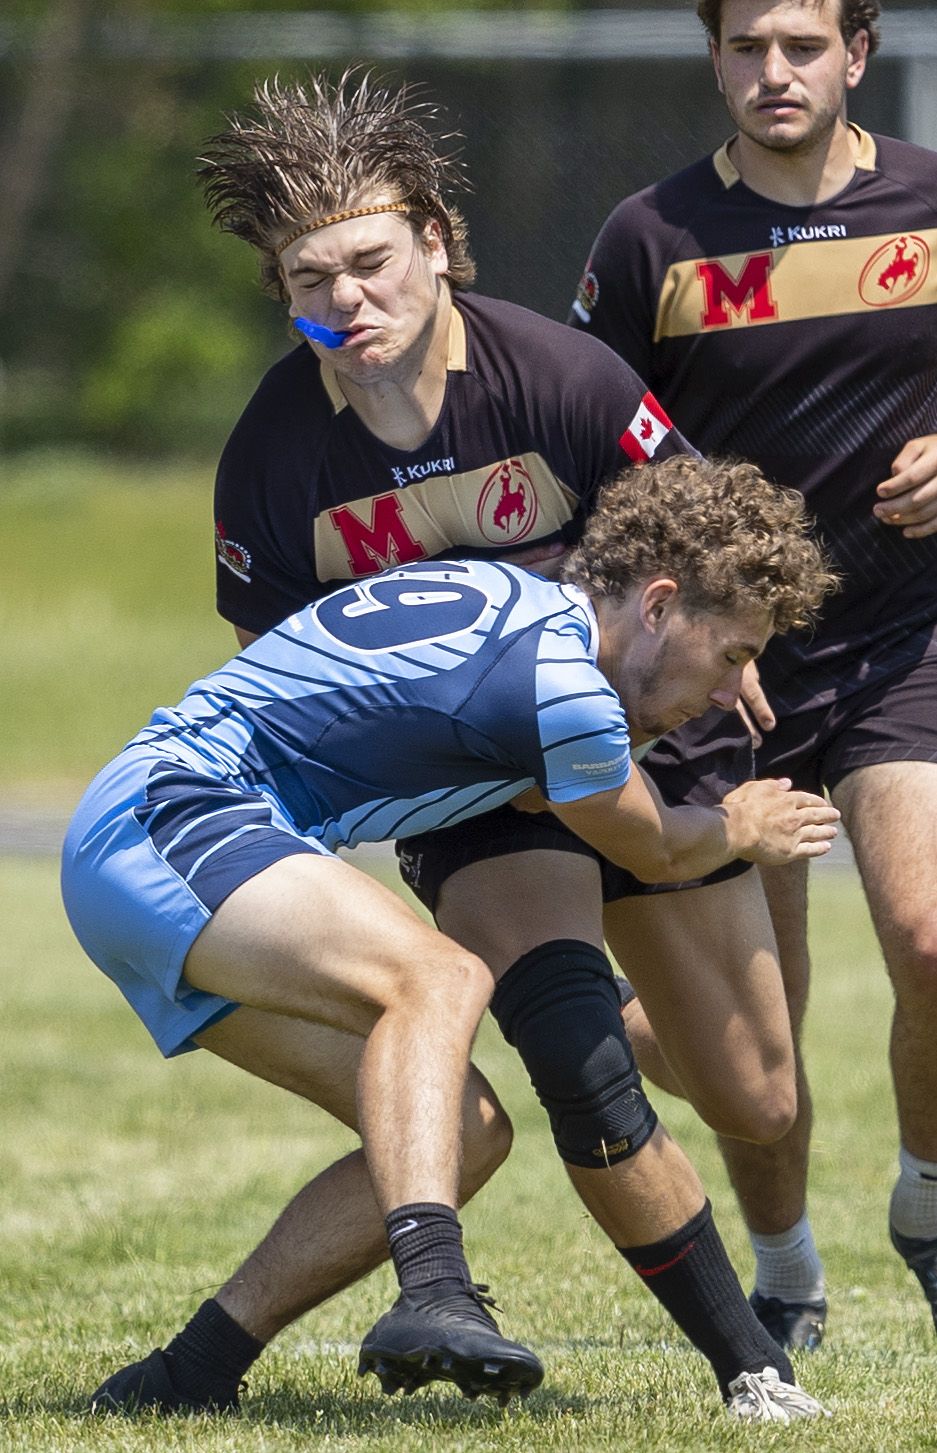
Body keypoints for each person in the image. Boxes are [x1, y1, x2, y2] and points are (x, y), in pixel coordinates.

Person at [63, 457, 839, 1423]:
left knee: (457, 1134)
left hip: (147, 853)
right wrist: (742, 824)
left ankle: (191, 1370)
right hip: (172, 812)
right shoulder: (563, 685)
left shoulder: (519, 606)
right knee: (437, 977)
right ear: (658, 602)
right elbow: (655, 846)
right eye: (731, 654)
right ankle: (432, 1290)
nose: (731, 690)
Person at [569, 0, 937, 1352]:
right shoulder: (648, 237)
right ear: (713, 57)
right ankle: (785, 1273)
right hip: (725, 676)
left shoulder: (927, 203)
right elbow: (595, 452)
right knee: (756, 1057)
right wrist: (681, 648)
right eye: (744, 47)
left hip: (907, 637)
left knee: (931, 937)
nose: (772, 73)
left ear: (857, 49)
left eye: (801, 45)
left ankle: (926, 1204)